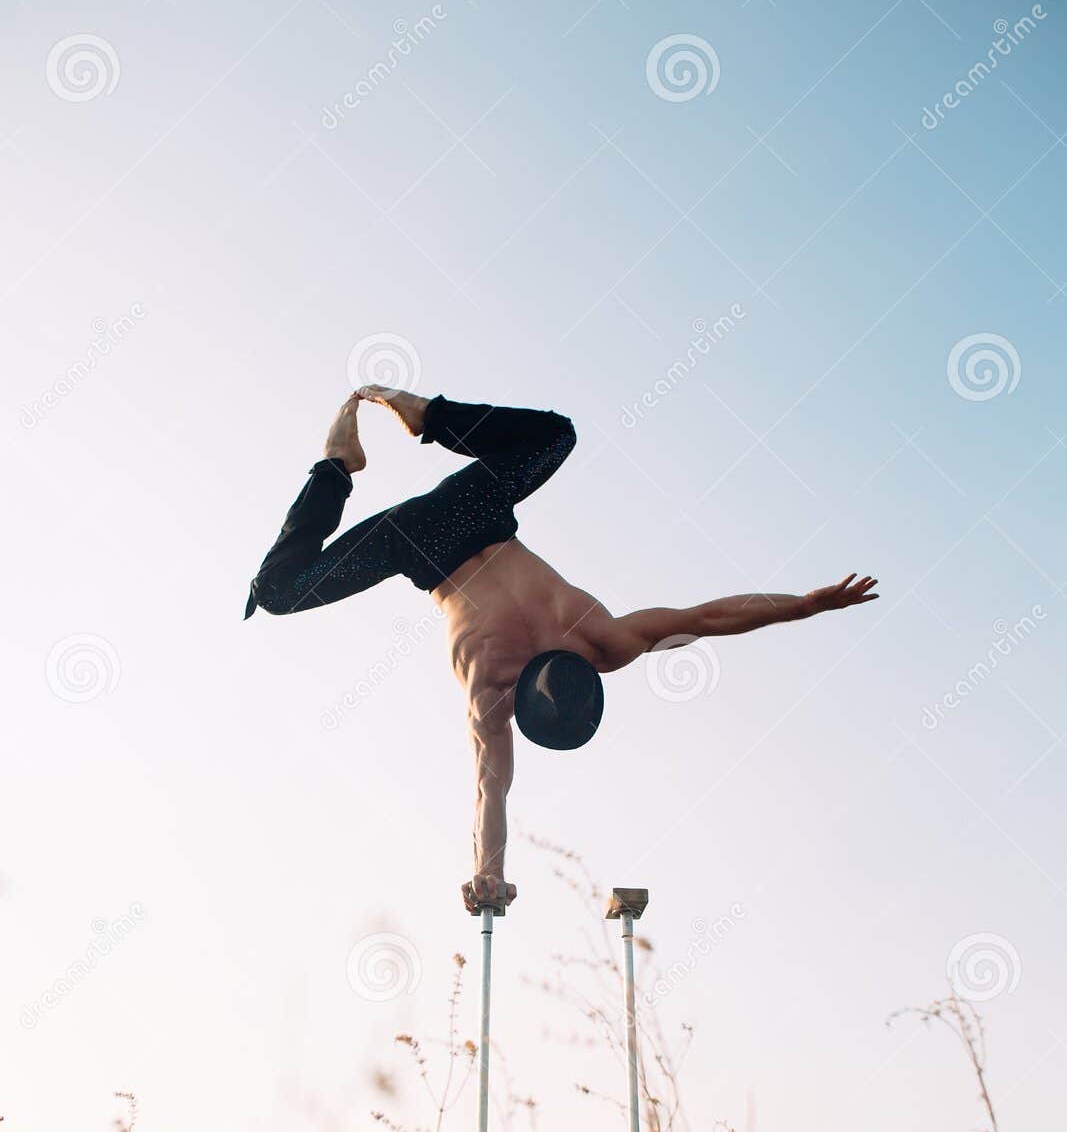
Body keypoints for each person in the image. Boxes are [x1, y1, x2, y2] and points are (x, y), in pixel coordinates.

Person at [245, 384, 878, 912]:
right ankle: (337, 460)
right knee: (278, 592)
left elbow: (705, 616)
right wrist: (486, 872)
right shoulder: (504, 680)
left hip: (463, 516)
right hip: (419, 540)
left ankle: (408, 425)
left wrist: (806, 605)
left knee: (555, 435)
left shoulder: (596, 640)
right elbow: (491, 787)